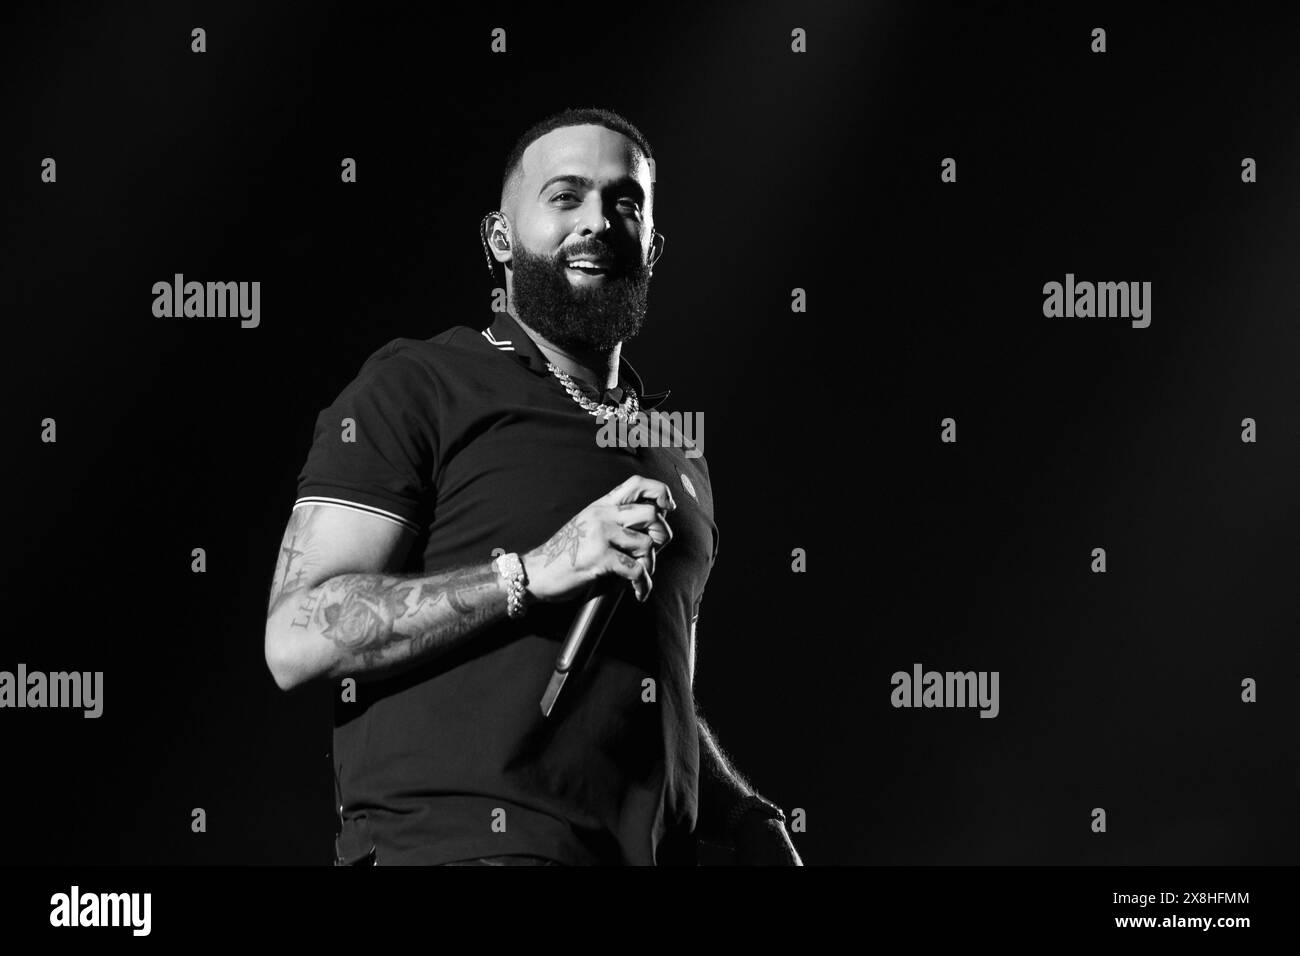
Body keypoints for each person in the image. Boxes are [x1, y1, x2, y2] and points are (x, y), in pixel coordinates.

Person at [264, 107, 801, 866]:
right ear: (499, 239)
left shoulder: (675, 451)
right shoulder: (420, 385)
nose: (599, 223)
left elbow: (654, 695)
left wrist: (745, 815)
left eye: (625, 203)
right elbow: (297, 636)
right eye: (565, 197)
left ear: (654, 247)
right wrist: (532, 571)